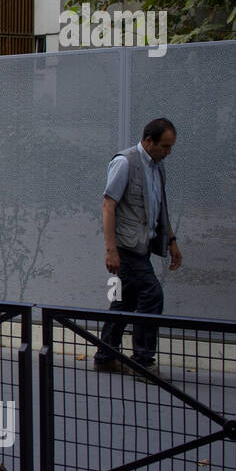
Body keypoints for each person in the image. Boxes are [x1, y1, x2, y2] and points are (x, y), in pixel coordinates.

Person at [95, 117, 182, 377]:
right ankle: (142, 362)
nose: (168, 152)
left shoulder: (157, 167)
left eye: (170, 147)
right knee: (152, 294)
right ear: (148, 141)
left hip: (141, 245)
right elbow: (108, 206)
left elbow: (160, 207)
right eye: (165, 146)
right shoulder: (125, 162)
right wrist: (111, 249)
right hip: (127, 247)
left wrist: (172, 241)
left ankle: (105, 356)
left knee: (125, 300)